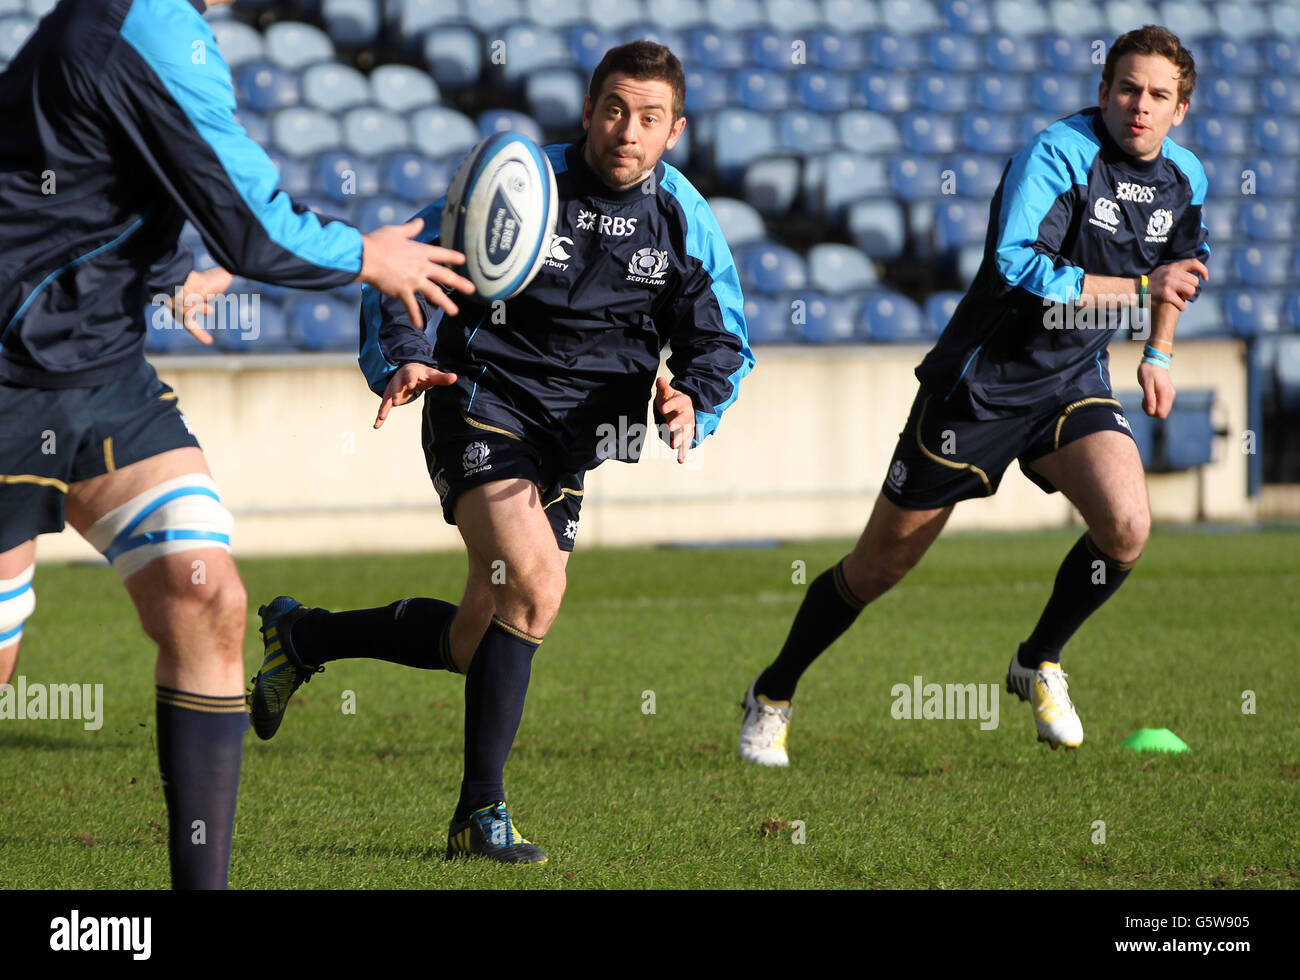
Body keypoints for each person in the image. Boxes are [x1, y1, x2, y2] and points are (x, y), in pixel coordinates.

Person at [0, 0, 473, 888]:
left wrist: (171, 273)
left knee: (208, 595)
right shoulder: (146, 23)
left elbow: (96, 165)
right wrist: (371, 258)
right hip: (10, 373)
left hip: (102, 369)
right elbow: (250, 225)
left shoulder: (138, 22)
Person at [248, 39, 754, 866]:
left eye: (650, 117)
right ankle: (478, 817)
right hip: (478, 403)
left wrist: (693, 395)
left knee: (474, 639)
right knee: (538, 584)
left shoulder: (684, 218)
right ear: (589, 110)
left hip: (572, 445)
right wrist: (409, 352)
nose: (629, 130)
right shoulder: (518, 182)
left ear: (675, 130)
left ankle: (305, 637)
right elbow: (412, 267)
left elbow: (722, 338)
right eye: (616, 109)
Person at [739, 24, 1210, 764]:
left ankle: (1038, 661)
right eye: (1127, 88)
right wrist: (1141, 290)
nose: (1139, 106)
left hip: (1071, 380)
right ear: (1103, 92)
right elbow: (1018, 265)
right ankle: (773, 692)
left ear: (1180, 109)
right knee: (878, 567)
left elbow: (1184, 265)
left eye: (1157, 95)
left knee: (1127, 526)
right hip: (981, 385)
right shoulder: (1055, 156)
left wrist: (1157, 350)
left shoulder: (1185, 178)